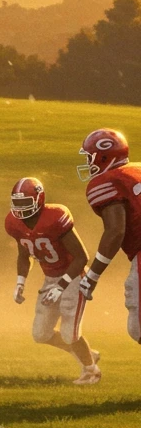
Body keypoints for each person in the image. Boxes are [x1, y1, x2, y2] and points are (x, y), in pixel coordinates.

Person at [4, 176, 100, 384]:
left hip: (73, 278)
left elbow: (81, 256)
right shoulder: (14, 223)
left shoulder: (55, 217)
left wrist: (62, 285)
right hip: (50, 279)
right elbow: (24, 255)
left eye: (25, 203)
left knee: (69, 333)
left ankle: (92, 370)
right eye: (17, 203)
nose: (20, 209)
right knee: (40, 334)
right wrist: (20, 282)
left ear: (39, 200)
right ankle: (87, 353)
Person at [77, 129, 141, 347]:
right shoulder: (137, 169)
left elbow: (115, 231)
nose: (87, 162)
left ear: (104, 156)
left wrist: (92, 276)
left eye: (90, 157)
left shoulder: (106, 181)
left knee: (138, 326)